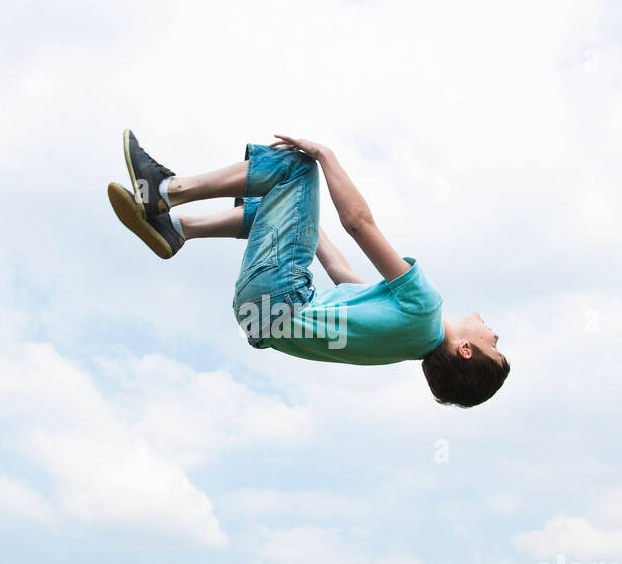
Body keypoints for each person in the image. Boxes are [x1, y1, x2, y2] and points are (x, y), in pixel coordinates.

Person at [107, 131, 509, 407]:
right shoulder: (402, 343)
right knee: (285, 206)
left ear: (466, 350)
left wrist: (324, 157)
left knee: (294, 168)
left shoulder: (426, 309)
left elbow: (360, 225)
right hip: (259, 317)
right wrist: (303, 214)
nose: (496, 333)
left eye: (495, 345)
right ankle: (178, 230)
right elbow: (339, 270)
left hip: (282, 295)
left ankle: (166, 190)